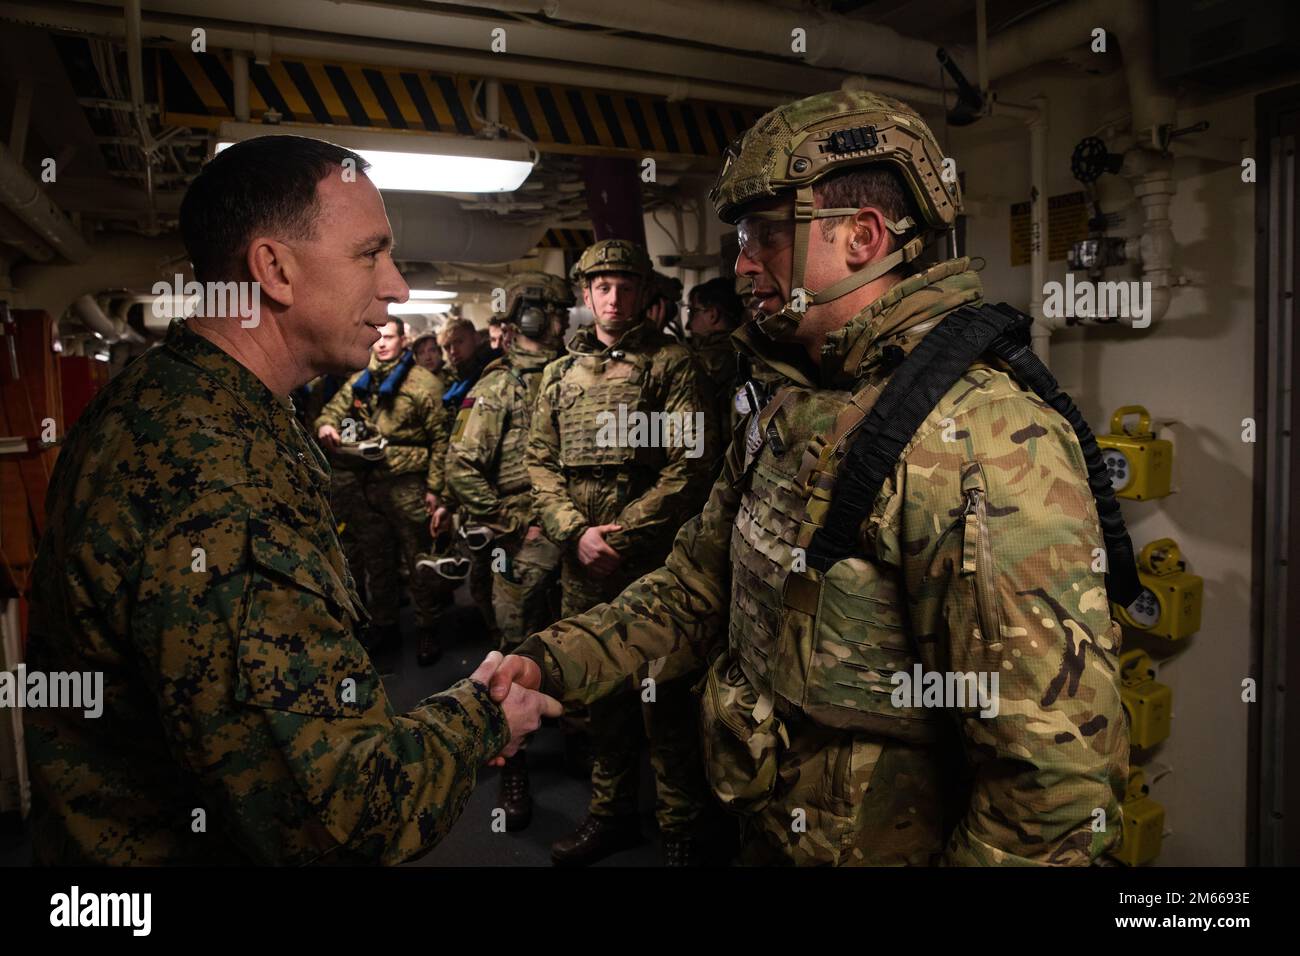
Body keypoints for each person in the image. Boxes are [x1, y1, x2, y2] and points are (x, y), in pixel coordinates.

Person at [490, 90, 1131, 866]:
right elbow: (697, 587)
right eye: (742, 237)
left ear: (862, 237)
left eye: (765, 233)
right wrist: (550, 661)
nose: (741, 263)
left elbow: (1051, 788)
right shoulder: (791, 404)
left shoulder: (982, 439)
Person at [23, 134, 558, 865]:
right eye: (370, 254)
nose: (398, 287)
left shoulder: (180, 398)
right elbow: (343, 816)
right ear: (273, 269)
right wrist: (485, 717)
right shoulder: (213, 472)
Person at [528, 239, 718, 866]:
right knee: (601, 693)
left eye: (625, 287)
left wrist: (621, 535)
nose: (613, 299)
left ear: (643, 293)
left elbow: (689, 465)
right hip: (581, 561)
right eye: (602, 287)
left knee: (665, 697)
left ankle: (681, 828)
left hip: (654, 564)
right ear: (586, 294)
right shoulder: (559, 374)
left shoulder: (672, 365)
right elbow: (539, 463)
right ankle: (609, 814)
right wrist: (574, 532)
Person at [443, 271, 570, 829]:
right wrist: (516, 521)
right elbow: (461, 468)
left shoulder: (574, 373)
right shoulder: (499, 386)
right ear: (533, 317)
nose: (563, 321)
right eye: (555, 311)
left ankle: (578, 736)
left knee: (572, 638)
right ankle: (512, 764)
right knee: (514, 651)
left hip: (573, 529)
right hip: (523, 540)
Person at [313, 317, 445, 658]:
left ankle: (429, 628)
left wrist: (435, 489)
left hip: (409, 485)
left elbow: (442, 441)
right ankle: (385, 628)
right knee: (378, 561)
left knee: (419, 562)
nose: (382, 343)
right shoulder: (363, 378)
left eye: (390, 337)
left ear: (404, 341)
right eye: (379, 337)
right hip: (369, 487)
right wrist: (327, 426)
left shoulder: (423, 383)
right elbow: (330, 412)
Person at [686, 276, 745, 443]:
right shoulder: (746, 350)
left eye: (692, 312)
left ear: (712, 314)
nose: (688, 325)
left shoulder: (707, 361)